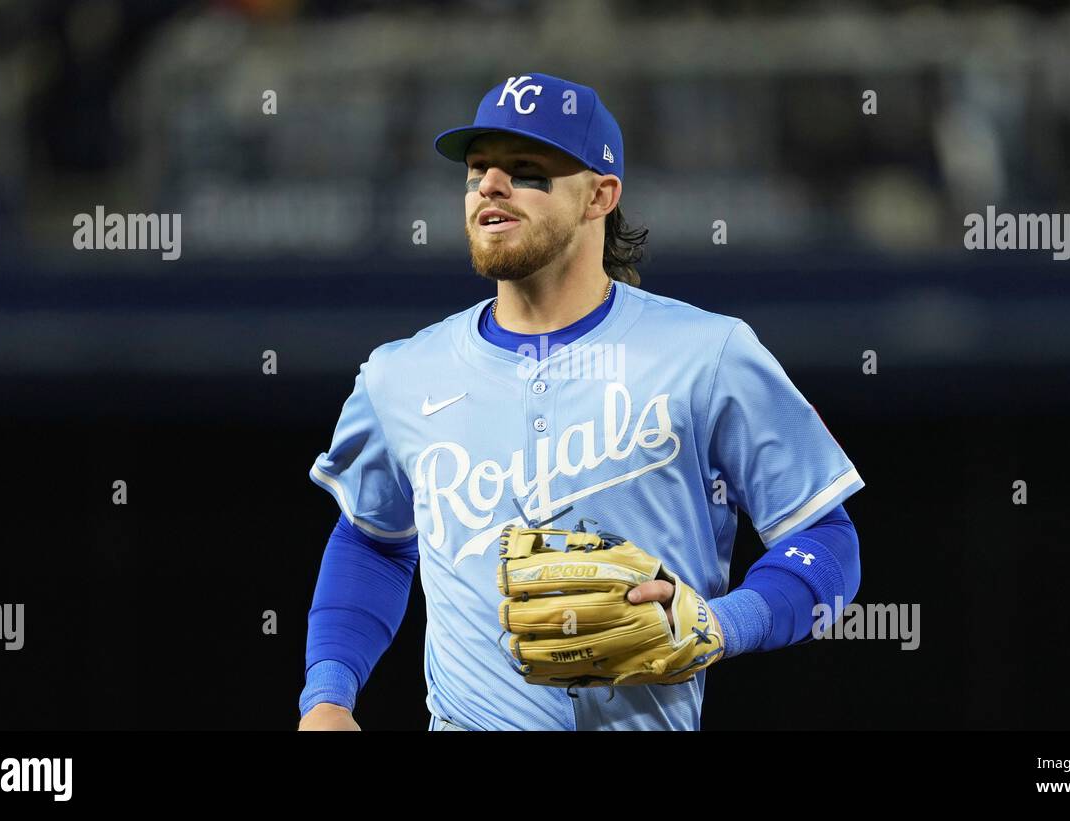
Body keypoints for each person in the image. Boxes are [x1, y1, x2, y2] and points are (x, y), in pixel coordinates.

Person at [298, 73, 863, 731]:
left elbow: (827, 540)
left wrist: (720, 621)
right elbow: (372, 539)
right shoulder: (401, 374)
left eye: (527, 170)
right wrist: (329, 695)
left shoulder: (708, 355)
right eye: (478, 168)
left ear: (601, 195)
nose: (490, 185)